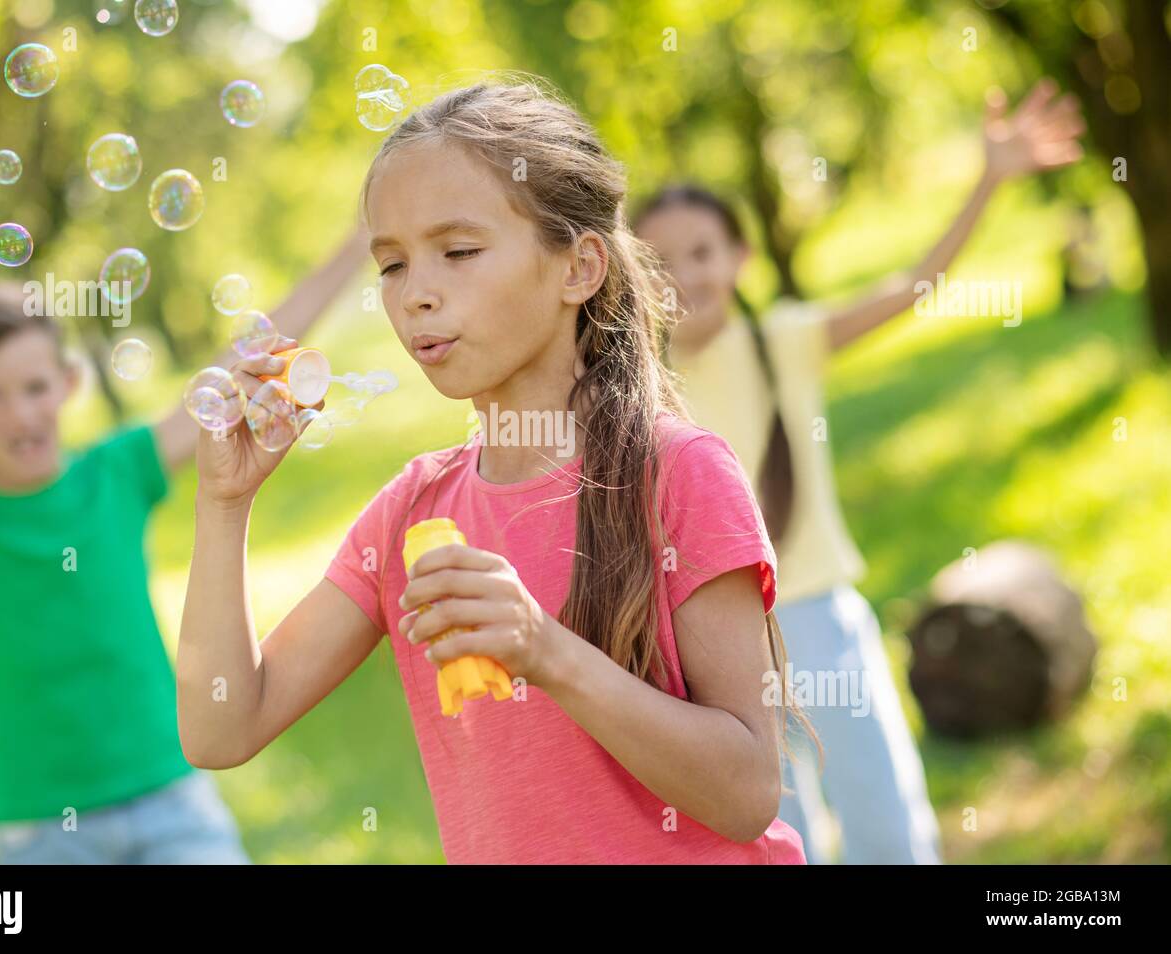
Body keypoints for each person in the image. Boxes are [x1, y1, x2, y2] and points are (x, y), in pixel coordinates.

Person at [175, 78, 819, 864]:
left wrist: (545, 653)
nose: (416, 296)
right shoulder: (409, 512)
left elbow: (748, 792)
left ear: (578, 268)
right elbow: (221, 727)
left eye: (459, 252)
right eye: (392, 265)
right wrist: (225, 502)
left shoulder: (678, 473)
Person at [632, 78, 1085, 863]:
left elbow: (911, 287)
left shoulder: (785, 339)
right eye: (658, 263)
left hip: (816, 620)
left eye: (701, 253)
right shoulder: (633, 389)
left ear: (739, 256)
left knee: (884, 822)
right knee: (777, 833)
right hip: (713, 644)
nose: (684, 277)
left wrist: (987, 180)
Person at [0, 227, 369, 863]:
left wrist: (357, 244)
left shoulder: (117, 474)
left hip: (171, 800)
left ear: (68, 383)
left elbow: (244, 363)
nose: (20, 414)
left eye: (34, 388)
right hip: (38, 831)